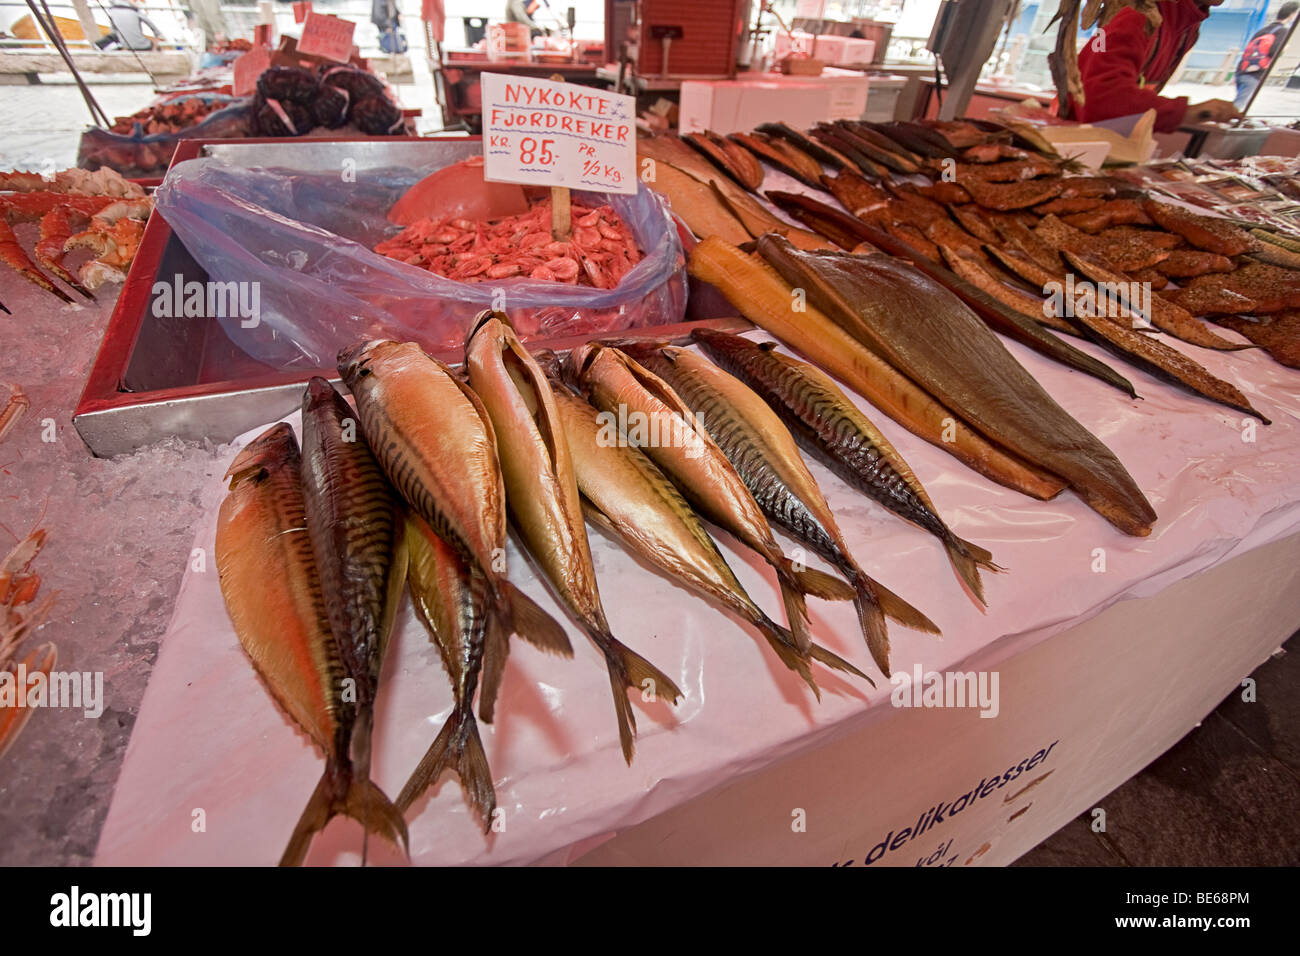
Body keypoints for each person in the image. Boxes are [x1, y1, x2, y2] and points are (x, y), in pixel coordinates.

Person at [1066, 0, 1240, 132]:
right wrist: (1188, 112)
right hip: (1075, 136)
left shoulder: (1189, 26)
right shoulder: (1136, 12)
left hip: (1113, 137)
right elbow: (1098, 99)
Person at [1234, 1, 1298, 109]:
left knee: (1238, 101)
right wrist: (1284, 49)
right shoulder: (1282, 31)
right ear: (1291, 14)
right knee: (1238, 106)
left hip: (1242, 71)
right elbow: (1274, 51)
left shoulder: (1263, 30)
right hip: (1255, 74)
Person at [94, 0, 164, 51]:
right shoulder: (135, 10)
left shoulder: (112, 11)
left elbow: (114, 30)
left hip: (126, 45)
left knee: (114, 37)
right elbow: (152, 26)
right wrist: (158, 36)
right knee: (156, 45)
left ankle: (100, 46)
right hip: (143, 46)